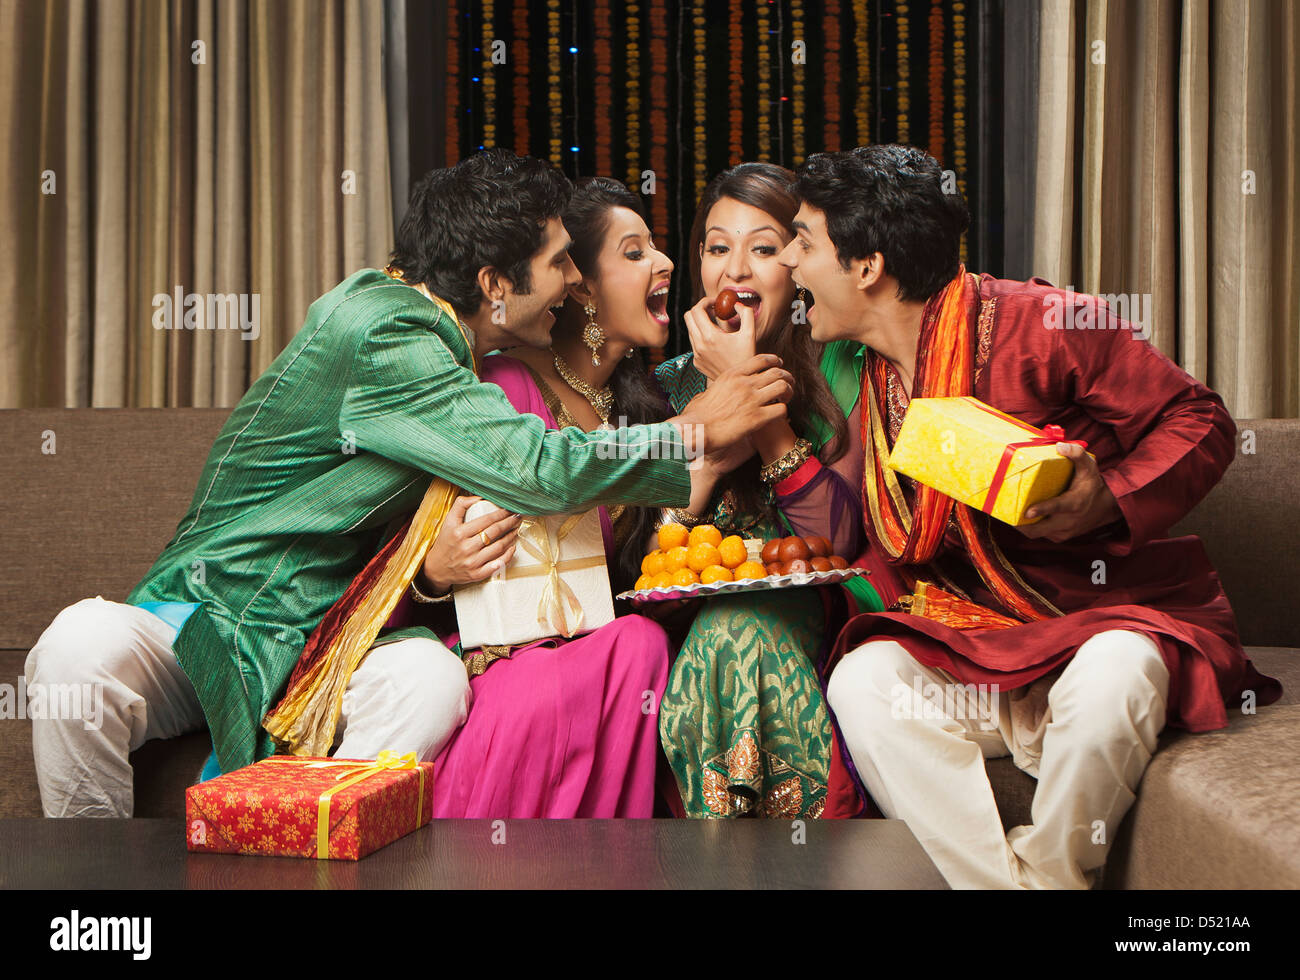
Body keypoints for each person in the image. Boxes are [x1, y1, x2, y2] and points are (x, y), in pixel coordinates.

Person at [24, 148, 793, 818]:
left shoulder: (459, 358)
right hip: (211, 616)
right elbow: (534, 468)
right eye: (560, 262)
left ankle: (298, 857)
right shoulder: (388, 328)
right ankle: (97, 885)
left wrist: (428, 580)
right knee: (77, 651)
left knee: (428, 680)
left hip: (320, 647)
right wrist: (699, 429)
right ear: (495, 282)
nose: (572, 283)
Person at [780, 144, 1281, 887]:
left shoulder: (1045, 322)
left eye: (801, 240)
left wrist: (1108, 496)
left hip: (1095, 627)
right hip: (975, 646)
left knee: (1119, 671)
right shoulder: (871, 375)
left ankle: (1052, 876)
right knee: (863, 680)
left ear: (866, 267)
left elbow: (1200, 418)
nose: (789, 262)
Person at [326, 177, 692, 817]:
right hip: (495, 650)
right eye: (633, 253)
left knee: (640, 646)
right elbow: (414, 545)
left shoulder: (648, 406)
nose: (664, 263)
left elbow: (660, 562)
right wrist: (432, 573)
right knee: (538, 684)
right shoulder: (491, 390)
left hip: (601, 636)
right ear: (578, 287)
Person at [654, 163, 875, 818]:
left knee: (737, 631)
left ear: (801, 264)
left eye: (765, 248)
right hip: (691, 619)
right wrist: (714, 438)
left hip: (823, 616)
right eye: (719, 247)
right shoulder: (668, 386)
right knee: (722, 628)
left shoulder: (846, 364)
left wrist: (759, 403)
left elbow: (839, 541)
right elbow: (647, 557)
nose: (737, 271)